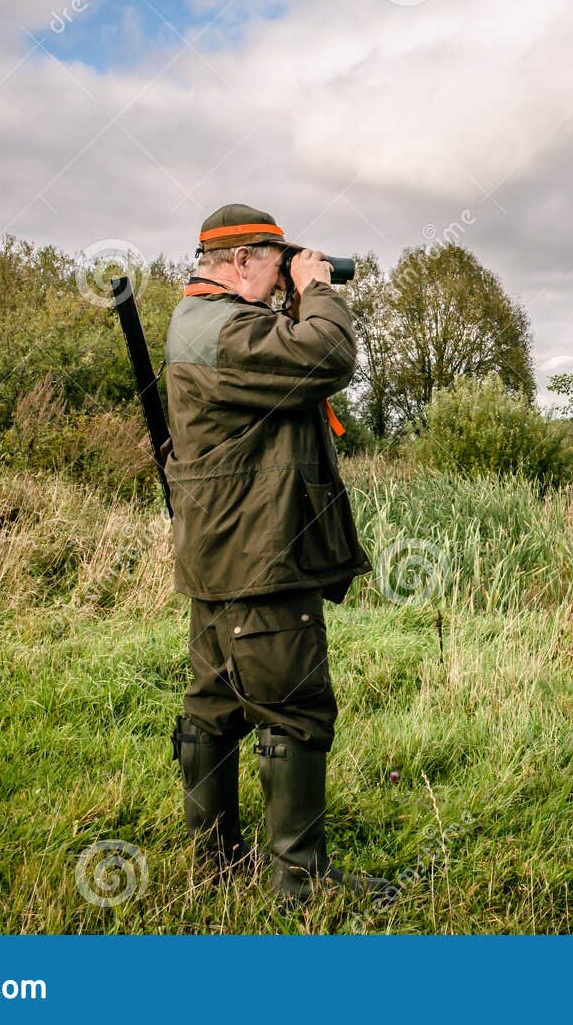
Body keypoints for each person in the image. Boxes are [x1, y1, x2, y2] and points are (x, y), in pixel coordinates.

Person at [162, 202, 390, 901]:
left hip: (218, 551)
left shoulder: (195, 322)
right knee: (295, 706)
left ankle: (217, 859)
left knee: (216, 702)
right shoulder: (231, 329)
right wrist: (318, 287)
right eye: (277, 258)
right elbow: (328, 354)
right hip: (259, 553)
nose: (288, 268)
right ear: (240, 262)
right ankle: (299, 878)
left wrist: (293, 290)